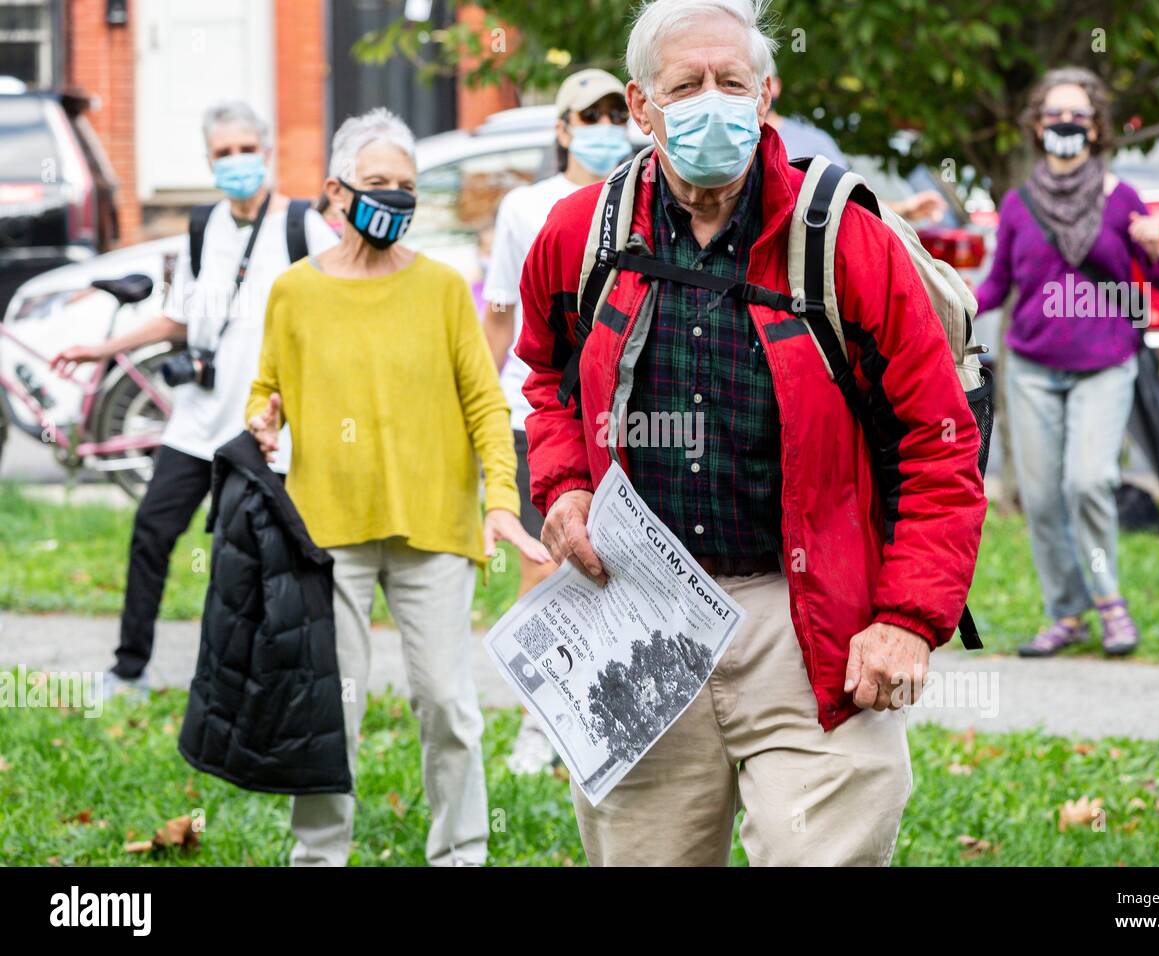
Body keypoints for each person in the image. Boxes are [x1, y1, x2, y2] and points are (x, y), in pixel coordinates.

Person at [515, 0, 985, 866]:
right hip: (640, 608)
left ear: (766, 95)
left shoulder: (842, 239)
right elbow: (546, 380)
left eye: (731, 81)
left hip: (807, 617)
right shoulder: (583, 235)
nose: (712, 101)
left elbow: (938, 439)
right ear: (641, 104)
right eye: (686, 84)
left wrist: (911, 619)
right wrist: (565, 485)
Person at [246, 108, 547, 867]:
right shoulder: (294, 293)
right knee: (331, 711)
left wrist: (502, 502)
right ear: (336, 192)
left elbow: (487, 402)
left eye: (406, 186)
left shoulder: (444, 290)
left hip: (433, 528)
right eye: (377, 183)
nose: (394, 198)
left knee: (447, 704)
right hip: (329, 530)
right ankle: (318, 855)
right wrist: (263, 417)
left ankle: (462, 853)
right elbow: (266, 386)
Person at [52, 101, 338, 698]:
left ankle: (253, 681)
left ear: (266, 153)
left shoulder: (302, 227)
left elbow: (332, 322)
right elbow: (180, 318)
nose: (236, 162)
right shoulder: (204, 225)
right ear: (209, 161)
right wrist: (103, 349)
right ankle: (130, 668)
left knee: (252, 560)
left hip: (263, 430)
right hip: (195, 423)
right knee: (151, 533)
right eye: (223, 153)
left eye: (245, 150)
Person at [975, 67, 1159, 658]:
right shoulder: (1018, 205)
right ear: (1038, 127)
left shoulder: (1122, 199)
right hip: (1032, 368)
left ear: (1096, 128)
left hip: (1105, 365)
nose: (1067, 124)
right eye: (1056, 115)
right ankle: (1066, 613)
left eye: (1079, 116)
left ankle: (1110, 602)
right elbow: (999, 285)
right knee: (1041, 499)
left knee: (1089, 481)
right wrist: (951, 310)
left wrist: (1157, 249)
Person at [481, 67, 632, 776]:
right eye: (588, 116)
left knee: (616, 574)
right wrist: (479, 399)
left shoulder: (638, 198)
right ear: (564, 128)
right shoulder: (528, 207)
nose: (604, 129)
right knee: (542, 571)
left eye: (614, 114)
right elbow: (504, 312)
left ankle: (602, 715)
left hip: (619, 420)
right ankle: (539, 724)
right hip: (536, 411)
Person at [767, 71, 946, 224]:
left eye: (764, 80)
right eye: (737, 83)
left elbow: (853, 202)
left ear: (774, 85)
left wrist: (904, 209)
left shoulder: (814, 141)